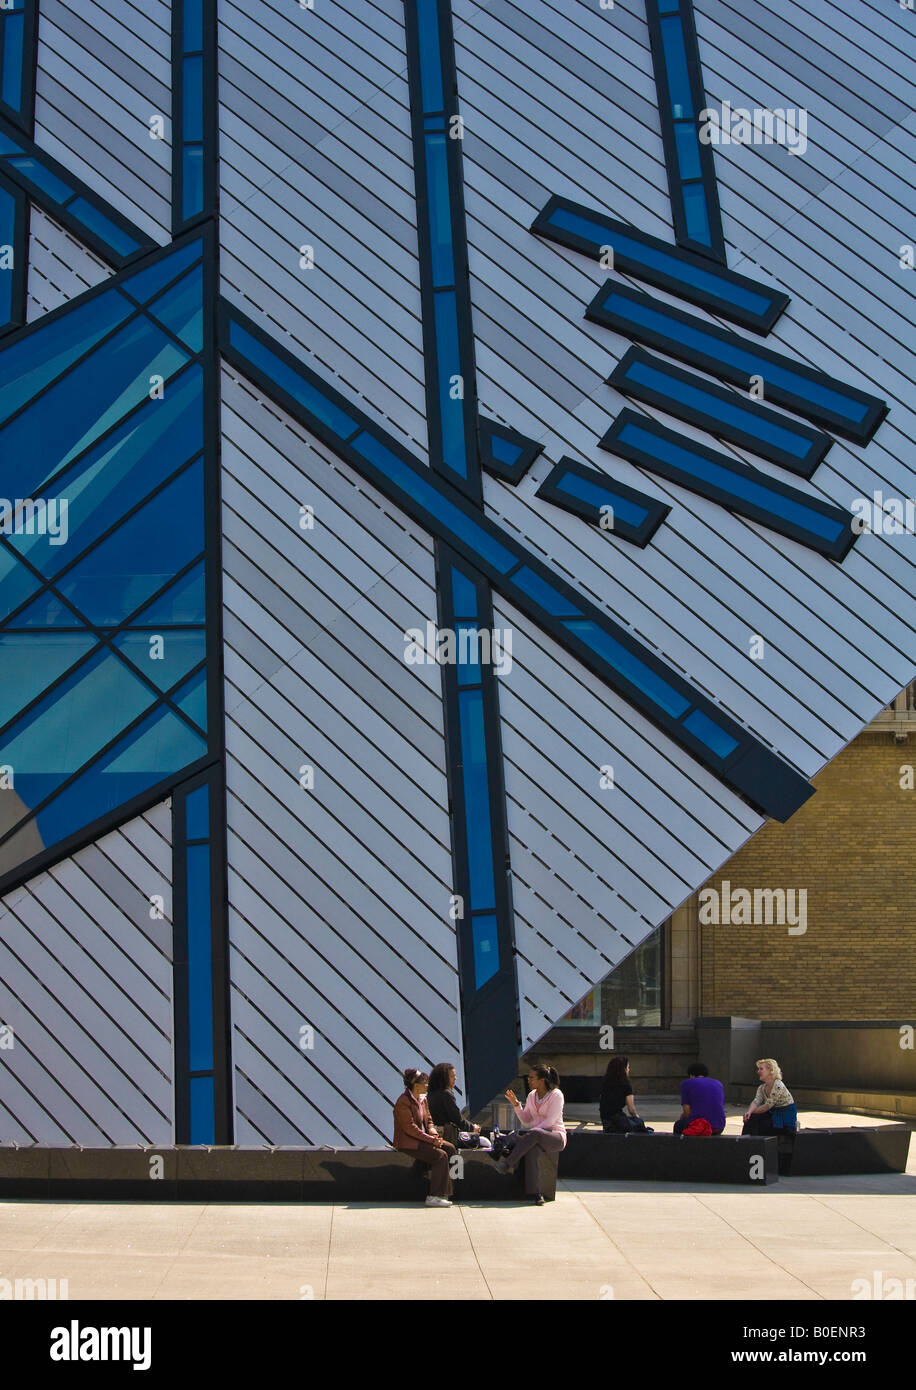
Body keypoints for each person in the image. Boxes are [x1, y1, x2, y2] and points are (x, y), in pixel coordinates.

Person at [499, 1063, 567, 1205]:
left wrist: (532, 1133)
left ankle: (508, 1162)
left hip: (556, 1137)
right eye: (528, 1078)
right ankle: (536, 1194)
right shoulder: (531, 1096)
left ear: (542, 1080)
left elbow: (549, 1122)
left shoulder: (556, 1095)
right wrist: (517, 1105)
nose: (528, 1080)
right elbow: (526, 1120)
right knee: (532, 1150)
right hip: (535, 1138)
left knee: (534, 1134)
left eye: (532, 1078)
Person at [392, 1066, 457, 1206]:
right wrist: (432, 1140)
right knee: (440, 1156)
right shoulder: (403, 1102)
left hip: (423, 1139)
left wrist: (433, 1132)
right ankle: (434, 1196)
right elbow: (410, 1129)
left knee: (450, 1149)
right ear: (416, 1085)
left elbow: (428, 1120)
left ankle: (447, 1191)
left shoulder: (423, 1099)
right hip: (408, 1142)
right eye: (425, 1083)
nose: (428, 1085)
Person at [427, 1062, 492, 1149]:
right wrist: (472, 1128)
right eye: (452, 1076)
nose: (455, 1078)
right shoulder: (446, 1094)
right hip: (447, 1135)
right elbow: (457, 1118)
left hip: (436, 1134)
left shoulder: (431, 1093)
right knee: (485, 1142)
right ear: (443, 1078)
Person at [742, 1058, 798, 1135]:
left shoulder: (778, 1085)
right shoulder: (762, 1087)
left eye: (761, 1069)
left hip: (784, 1115)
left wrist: (752, 1112)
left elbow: (767, 1106)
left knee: (762, 1124)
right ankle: (746, 1141)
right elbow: (756, 1101)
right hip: (773, 1112)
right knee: (751, 1118)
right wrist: (749, 1112)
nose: (758, 1072)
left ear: (771, 1071)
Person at [599, 1055, 654, 1132]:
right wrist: (637, 1117)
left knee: (634, 1122)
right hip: (618, 1121)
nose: (628, 1070)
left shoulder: (605, 1083)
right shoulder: (625, 1085)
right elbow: (631, 1109)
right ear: (623, 1070)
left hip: (606, 1121)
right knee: (639, 1122)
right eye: (628, 1068)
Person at [673, 1062, 726, 1136]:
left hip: (699, 1126)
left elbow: (687, 1111)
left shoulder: (687, 1083)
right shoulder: (718, 1083)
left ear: (691, 1075)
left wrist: (682, 1118)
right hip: (719, 1126)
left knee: (678, 1125)